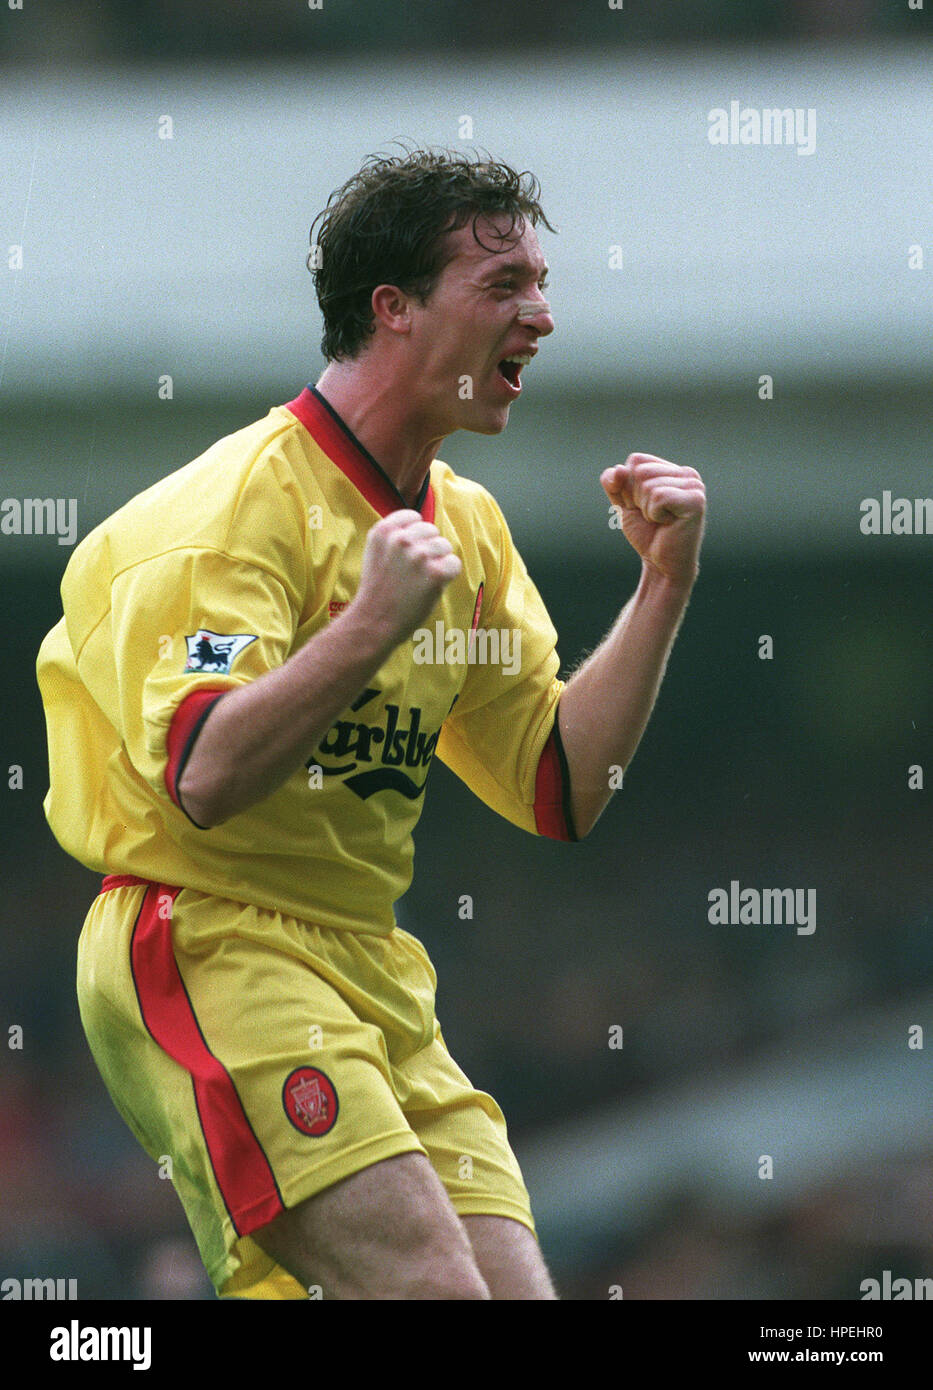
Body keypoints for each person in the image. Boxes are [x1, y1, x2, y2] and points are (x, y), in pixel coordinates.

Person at [36, 148, 705, 1300]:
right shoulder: (232, 511)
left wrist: (663, 588)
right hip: (208, 934)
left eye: (542, 284)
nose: (542, 315)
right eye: (503, 287)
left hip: (373, 965)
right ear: (391, 309)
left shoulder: (469, 529)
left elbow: (560, 785)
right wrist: (367, 629)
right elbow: (203, 771)